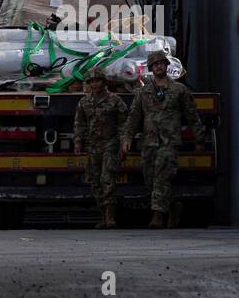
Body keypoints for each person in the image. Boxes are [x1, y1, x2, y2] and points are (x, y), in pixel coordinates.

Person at [121, 51, 202, 229]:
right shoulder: (143, 92)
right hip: (149, 141)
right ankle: (173, 207)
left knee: (161, 178)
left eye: (161, 63)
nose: (159, 66)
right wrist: (126, 138)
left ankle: (157, 217)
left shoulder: (179, 90)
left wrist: (198, 139)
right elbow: (134, 117)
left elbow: (192, 115)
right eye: (155, 64)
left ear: (167, 66)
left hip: (169, 141)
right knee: (149, 179)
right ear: (151, 69)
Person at [73, 68, 129, 229]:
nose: (94, 84)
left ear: (104, 82)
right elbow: (79, 123)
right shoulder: (85, 102)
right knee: (95, 180)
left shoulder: (115, 101)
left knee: (108, 179)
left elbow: (123, 123)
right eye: (91, 81)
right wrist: (77, 142)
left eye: (97, 80)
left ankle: (110, 216)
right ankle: (102, 215)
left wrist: (124, 142)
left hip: (110, 145)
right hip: (93, 146)